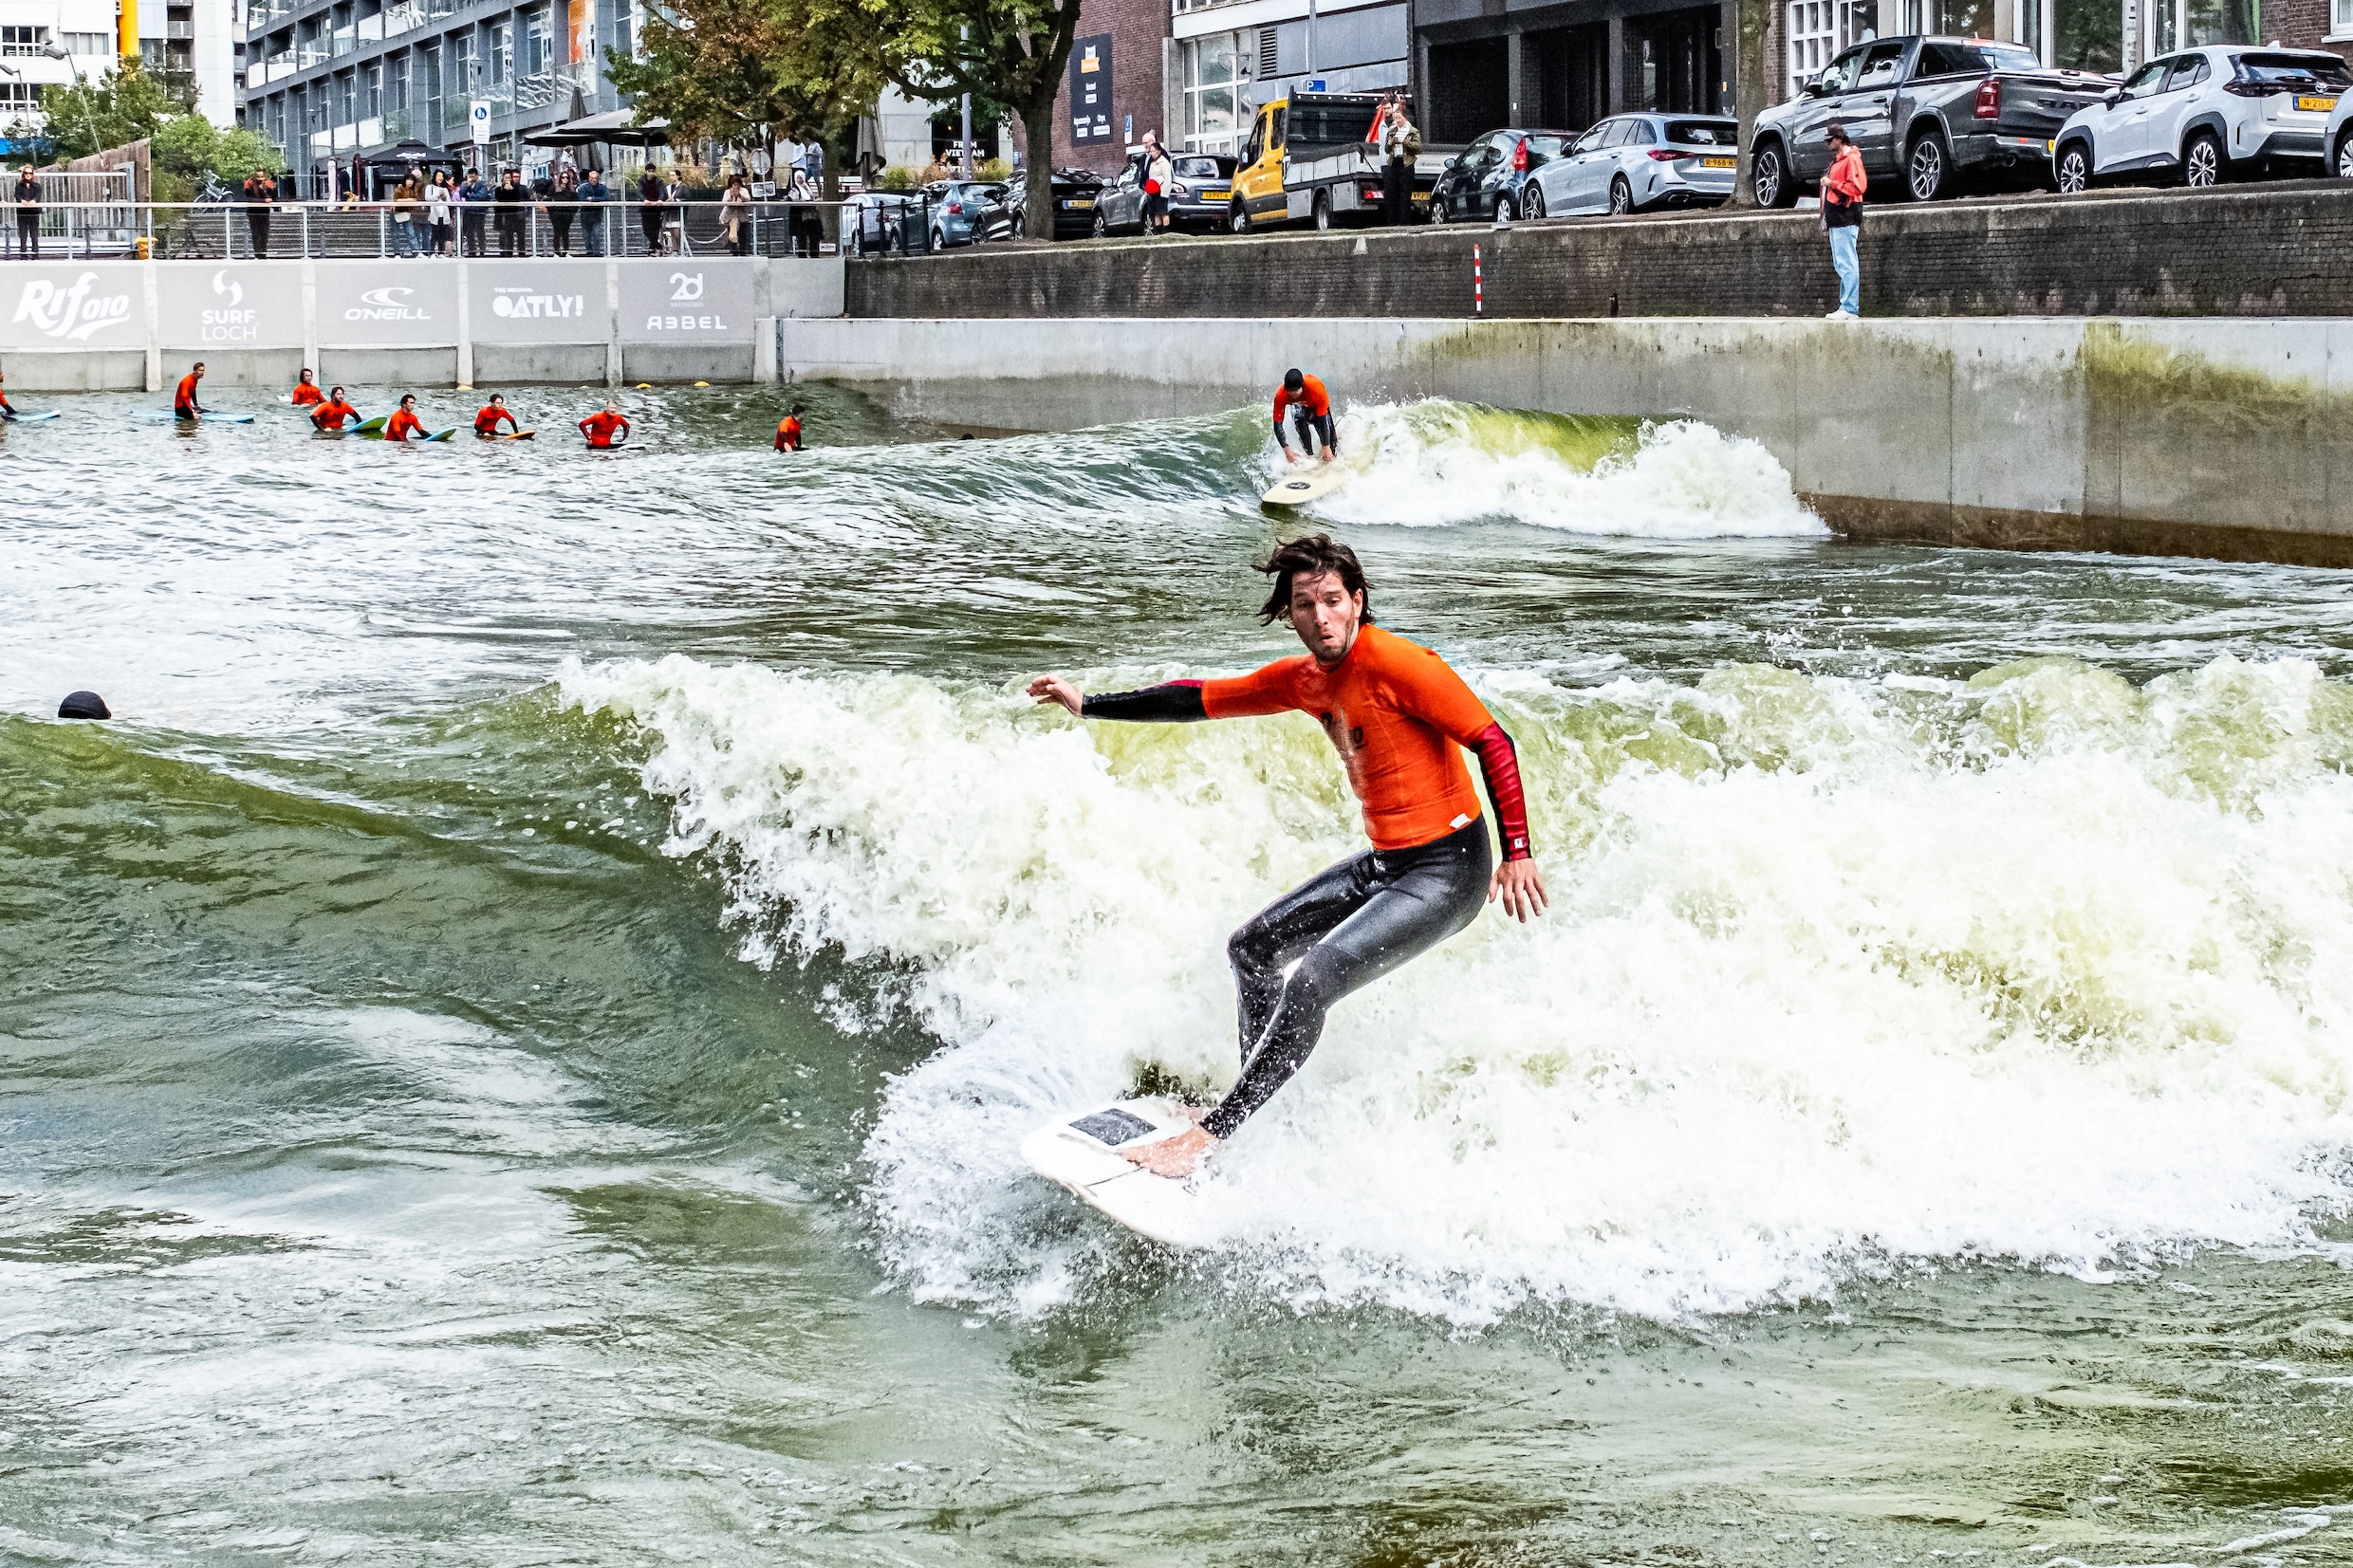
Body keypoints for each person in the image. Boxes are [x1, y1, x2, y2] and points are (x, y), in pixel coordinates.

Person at [1025, 535, 1545, 1177]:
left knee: (1313, 980)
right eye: (1305, 605)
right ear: (1289, 613)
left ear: (1357, 602)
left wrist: (1517, 852)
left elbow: (1493, 741)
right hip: (1389, 863)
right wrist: (1089, 705)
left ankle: (1211, 1136)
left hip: (1449, 871)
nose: (1321, 618)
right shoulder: (1304, 680)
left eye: (1333, 600)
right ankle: (1252, 1113)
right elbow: (1199, 697)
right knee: (1253, 948)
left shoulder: (1400, 663)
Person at [1821, 121, 1866, 322]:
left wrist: (1832, 184)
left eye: (1830, 140)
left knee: (1846, 262)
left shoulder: (1851, 159)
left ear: (1839, 139)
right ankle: (1846, 305)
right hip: (1837, 218)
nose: (1828, 144)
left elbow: (1858, 187)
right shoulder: (1840, 160)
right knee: (1842, 262)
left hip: (1845, 216)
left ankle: (1849, 307)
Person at [1272, 368, 1337, 465]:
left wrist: (1326, 447)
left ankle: (1330, 450)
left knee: (1331, 446)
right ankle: (1310, 456)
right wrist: (1287, 451)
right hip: (1300, 408)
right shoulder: (1281, 395)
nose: (1293, 394)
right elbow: (1277, 425)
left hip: (1316, 407)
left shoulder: (1316, 388)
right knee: (1299, 418)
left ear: (1302, 386)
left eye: (1295, 391)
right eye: (1290, 391)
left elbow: (1323, 420)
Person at [1380, 92, 1420, 228]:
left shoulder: (1412, 131)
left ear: (1404, 118)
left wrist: (1404, 141)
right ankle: (1393, 221)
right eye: (1395, 118)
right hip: (1394, 163)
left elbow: (1417, 148)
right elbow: (1386, 148)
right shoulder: (1391, 131)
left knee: (1405, 194)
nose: (1397, 121)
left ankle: (1405, 221)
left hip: (1406, 163)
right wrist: (1391, 142)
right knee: (1392, 193)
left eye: (1399, 118)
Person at [1142, 134, 1174, 237]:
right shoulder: (1151, 163)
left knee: (1163, 212)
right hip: (1153, 192)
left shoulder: (1164, 162)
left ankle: (1166, 232)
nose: (1152, 153)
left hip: (1161, 192)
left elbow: (1167, 179)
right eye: (1151, 151)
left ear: (1159, 151)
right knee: (1156, 213)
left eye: (1153, 151)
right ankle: (1157, 231)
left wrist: (1164, 193)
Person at [494, 168, 529, 256]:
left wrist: (527, 213)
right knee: (508, 235)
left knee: (521, 235)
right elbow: (499, 199)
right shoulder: (500, 188)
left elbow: (526, 200)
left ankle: (521, 253)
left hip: (520, 215)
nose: (516, 179)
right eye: (514, 177)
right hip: (507, 215)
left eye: (518, 177)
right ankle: (508, 252)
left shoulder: (522, 188)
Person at [546, 165, 579, 255]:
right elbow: (547, 200)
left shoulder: (571, 190)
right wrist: (552, 211)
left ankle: (565, 251)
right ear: (560, 178)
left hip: (567, 215)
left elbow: (576, 202)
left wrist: (571, 211)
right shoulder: (554, 188)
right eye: (563, 177)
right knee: (557, 232)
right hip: (556, 215)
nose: (565, 179)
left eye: (567, 177)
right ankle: (557, 251)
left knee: (565, 233)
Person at [242, 169, 276, 256]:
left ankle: (263, 252)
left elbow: (272, 197)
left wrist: (263, 189)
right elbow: (250, 199)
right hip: (253, 212)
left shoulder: (267, 184)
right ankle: (257, 253)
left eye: (262, 177)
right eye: (258, 177)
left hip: (264, 212)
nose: (260, 179)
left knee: (264, 233)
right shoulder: (249, 184)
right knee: (256, 233)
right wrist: (264, 200)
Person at [459, 167, 490, 257]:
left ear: (477, 176)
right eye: (470, 177)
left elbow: (482, 196)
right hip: (468, 212)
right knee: (469, 232)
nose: (472, 179)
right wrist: (467, 186)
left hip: (479, 212)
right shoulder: (466, 185)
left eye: (473, 177)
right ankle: (471, 250)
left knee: (480, 231)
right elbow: (461, 194)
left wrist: (470, 195)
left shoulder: (482, 185)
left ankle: (482, 250)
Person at [578, 167, 608, 256]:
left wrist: (592, 199)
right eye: (592, 178)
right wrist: (598, 199)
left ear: (598, 179)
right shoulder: (583, 188)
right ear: (589, 178)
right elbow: (582, 200)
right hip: (585, 214)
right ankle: (589, 251)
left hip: (597, 214)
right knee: (586, 235)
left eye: (595, 178)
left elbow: (606, 198)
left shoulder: (602, 188)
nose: (594, 180)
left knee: (596, 234)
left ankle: (596, 252)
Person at [391, 173, 423, 257]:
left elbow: (416, 199)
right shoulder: (400, 187)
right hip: (396, 212)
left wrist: (407, 200)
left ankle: (416, 252)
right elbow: (397, 200)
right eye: (408, 180)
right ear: (405, 180)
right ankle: (397, 253)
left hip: (406, 212)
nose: (410, 182)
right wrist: (410, 200)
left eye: (412, 180)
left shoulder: (413, 190)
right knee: (396, 234)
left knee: (410, 233)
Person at [721, 172, 751, 255]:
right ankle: (734, 251)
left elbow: (748, 199)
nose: (735, 186)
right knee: (733, 235)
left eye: (737, 184)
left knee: (743, 235)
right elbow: (724, 202)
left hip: (742, 216)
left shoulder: (744, 190)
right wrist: (731, 197)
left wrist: (740, 196)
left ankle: (743, 252)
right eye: (734, 184)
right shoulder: (727, 192)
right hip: (731, 217)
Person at [638, 167, 666, 255]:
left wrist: (660, 199)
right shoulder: (641, 180)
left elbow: (662, 192)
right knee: (646, 230)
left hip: (656, 208)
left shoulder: (659, 181)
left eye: (652, 171)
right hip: (645, 208)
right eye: (649, 171)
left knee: (655, 229)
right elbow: (639, 191)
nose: (651, 173)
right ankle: (657, 246)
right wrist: (644, 200)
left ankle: (652, 249)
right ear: (646, 172)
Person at [13, 165, 39, 259]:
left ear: (32, 174)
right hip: (22, 212)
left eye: (30, 173)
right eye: (26, 173)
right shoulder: (19, 185)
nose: (28, 175)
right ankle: (23, 254)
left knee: (34, 234)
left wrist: (33, 201)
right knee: (23, 234)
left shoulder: (36, 185)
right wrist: (22, 201)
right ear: (23, 174)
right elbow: (17, 195)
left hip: (34, 212)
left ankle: (35, 255)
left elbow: (38, 196)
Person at [426, 171, 452, 256]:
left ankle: (441, 252)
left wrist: (444, 197)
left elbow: (449, 202)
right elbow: (428, 198)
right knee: (434, 235)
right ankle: (432, 252)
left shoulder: (445, 189)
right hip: (434, 215)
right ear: (435, 176)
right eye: (439, 176)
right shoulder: (430, 187)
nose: (441, 178)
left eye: (442, 176)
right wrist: (438, 195)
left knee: (443, 235)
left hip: (444, 215)